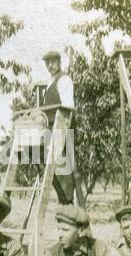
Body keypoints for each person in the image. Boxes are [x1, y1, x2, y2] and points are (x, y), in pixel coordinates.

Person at [41, 51, 77, 206]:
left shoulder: (64, 80)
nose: (50, 66)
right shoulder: (50, 82)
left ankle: (67, 202)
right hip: (49, 128)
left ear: (59, 61)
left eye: (53, 62)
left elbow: (67, 107)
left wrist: (61, 133)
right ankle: (63, 199)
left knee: (63, 166)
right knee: (43, 160)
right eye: (47, 63)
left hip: (61, 127)